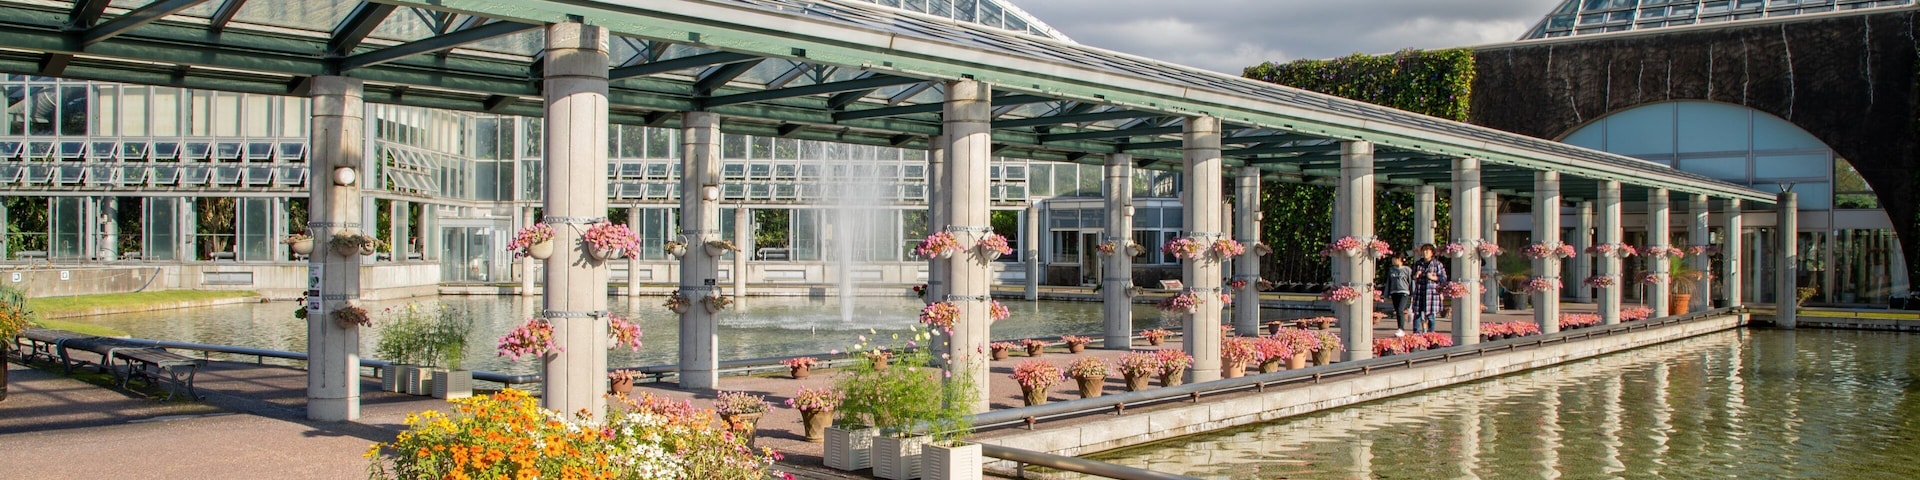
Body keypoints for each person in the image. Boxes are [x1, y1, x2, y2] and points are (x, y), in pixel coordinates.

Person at [1409, 244, 1448, 334]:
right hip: (1419, 292)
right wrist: (1416, 275)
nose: (1425, 252)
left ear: (1432, 253)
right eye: (1423, 250)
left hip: (1431, 293)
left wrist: (1433, 277)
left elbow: (1443, 278)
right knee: (1417, 314)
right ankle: (1416, 335)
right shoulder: (1418, 263)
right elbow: (1412, 277)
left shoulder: (1437, 264)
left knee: (1431, 315)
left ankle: (1431, 334)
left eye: (1427, 251)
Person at [1386, 256, 1411, 332]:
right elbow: (1388, 282)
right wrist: (1386, 295)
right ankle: (1399, 327)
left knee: (1400, 309)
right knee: (1397, 310)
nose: (1393, 260)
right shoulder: (1391, 270)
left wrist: (1413, 293)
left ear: (1400, 260)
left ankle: (1401, 328)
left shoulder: (1407, 270)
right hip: (1394, 292)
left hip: (1404, 292)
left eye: (1395, 258)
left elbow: (1411, 281)